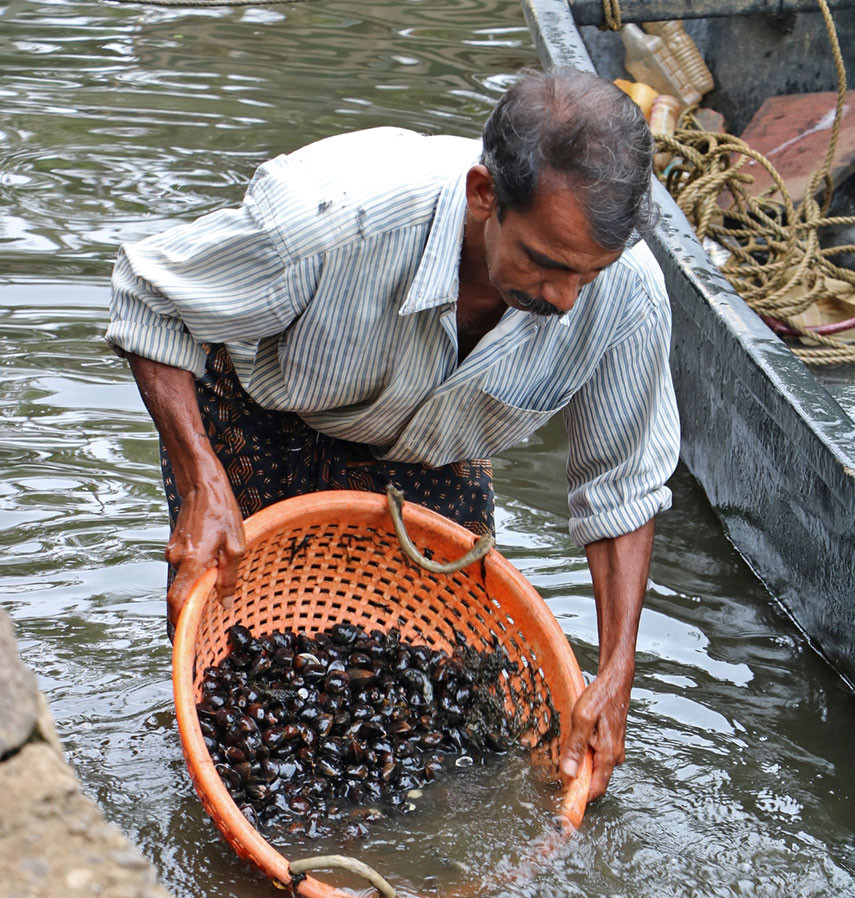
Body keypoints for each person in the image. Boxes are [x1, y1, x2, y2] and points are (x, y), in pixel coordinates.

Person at [107, 66, 680, 803]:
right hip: (262, 410)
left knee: (452, 712)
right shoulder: (327, 219)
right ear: (484, 196)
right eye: (543, 263)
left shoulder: (626, 293)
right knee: (235, 686)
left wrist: (614, 671)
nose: (565, 300)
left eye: (587, 275)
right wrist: (200, 483)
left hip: (430, 445)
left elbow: (623, 486)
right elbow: (148, 299)